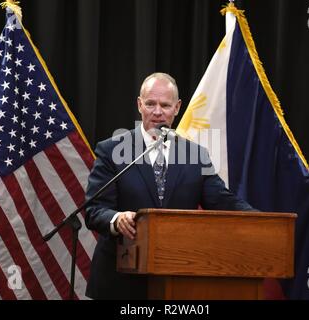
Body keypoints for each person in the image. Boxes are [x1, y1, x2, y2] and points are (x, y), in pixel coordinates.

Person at [84, 72, 255, 299]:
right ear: (139, 105)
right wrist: (117, 219)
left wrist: (260, 220)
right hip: (120, 281)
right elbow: (94, 210)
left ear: (177, 107)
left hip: (176, 281)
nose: (157, 112)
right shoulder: (112, 150)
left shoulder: (195, 155)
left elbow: (223, 200)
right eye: (150, 104)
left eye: (165, 105)